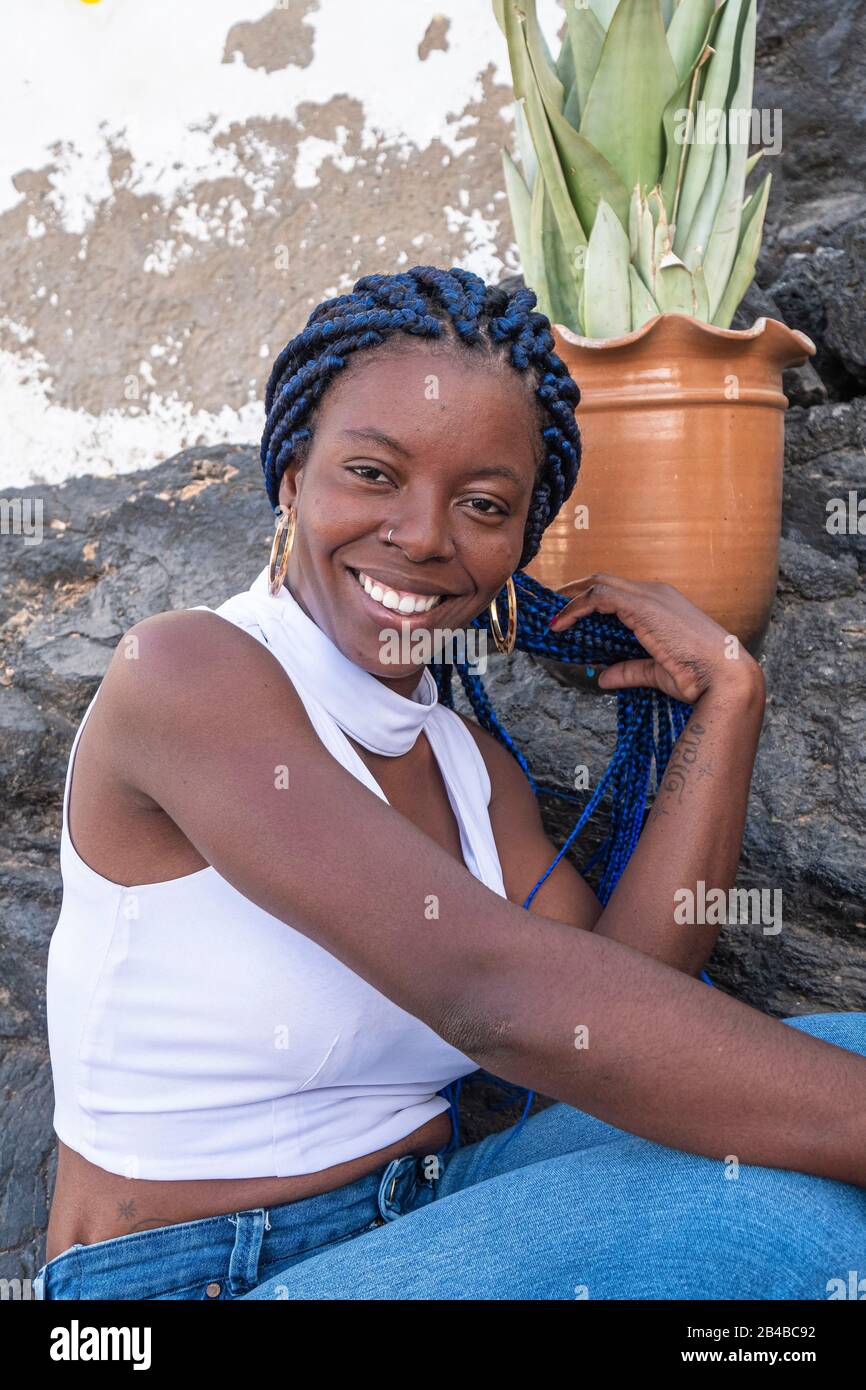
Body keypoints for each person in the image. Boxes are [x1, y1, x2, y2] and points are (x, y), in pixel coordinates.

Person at [35, 267, 866, 1301]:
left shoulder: (464, 760)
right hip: (189, 1280)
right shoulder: (186, 674)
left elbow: (611, 1010)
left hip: (422, 1214)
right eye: (373, 475)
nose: (423, 535)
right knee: (766, 1224)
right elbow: (494, 993)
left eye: (481, 503)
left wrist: (726, 702)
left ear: (521, 539)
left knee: (843, 1052)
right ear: (292, 478)